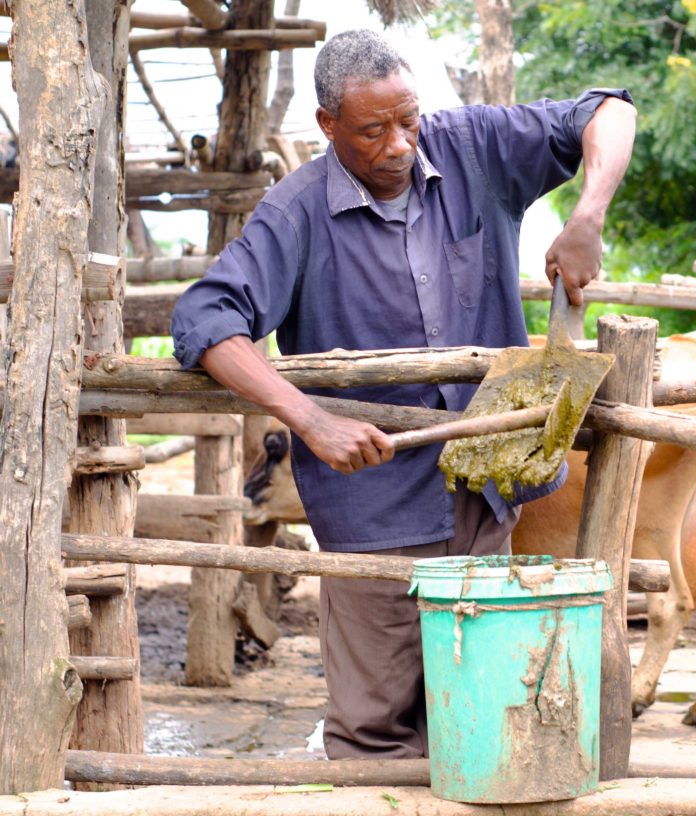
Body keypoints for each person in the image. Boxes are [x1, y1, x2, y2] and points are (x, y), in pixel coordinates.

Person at [170, 28, 636, 760]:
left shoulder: (470, 146)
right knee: (375, 732)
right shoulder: (294, 214)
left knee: (485, 719)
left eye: (408, 120)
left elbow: (609, 110)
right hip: (376, 521)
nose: (398, 144)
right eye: (373, 130)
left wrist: (589, 212)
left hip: (485, 501)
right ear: (327, 126)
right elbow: (202, 321)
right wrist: (310, 420)